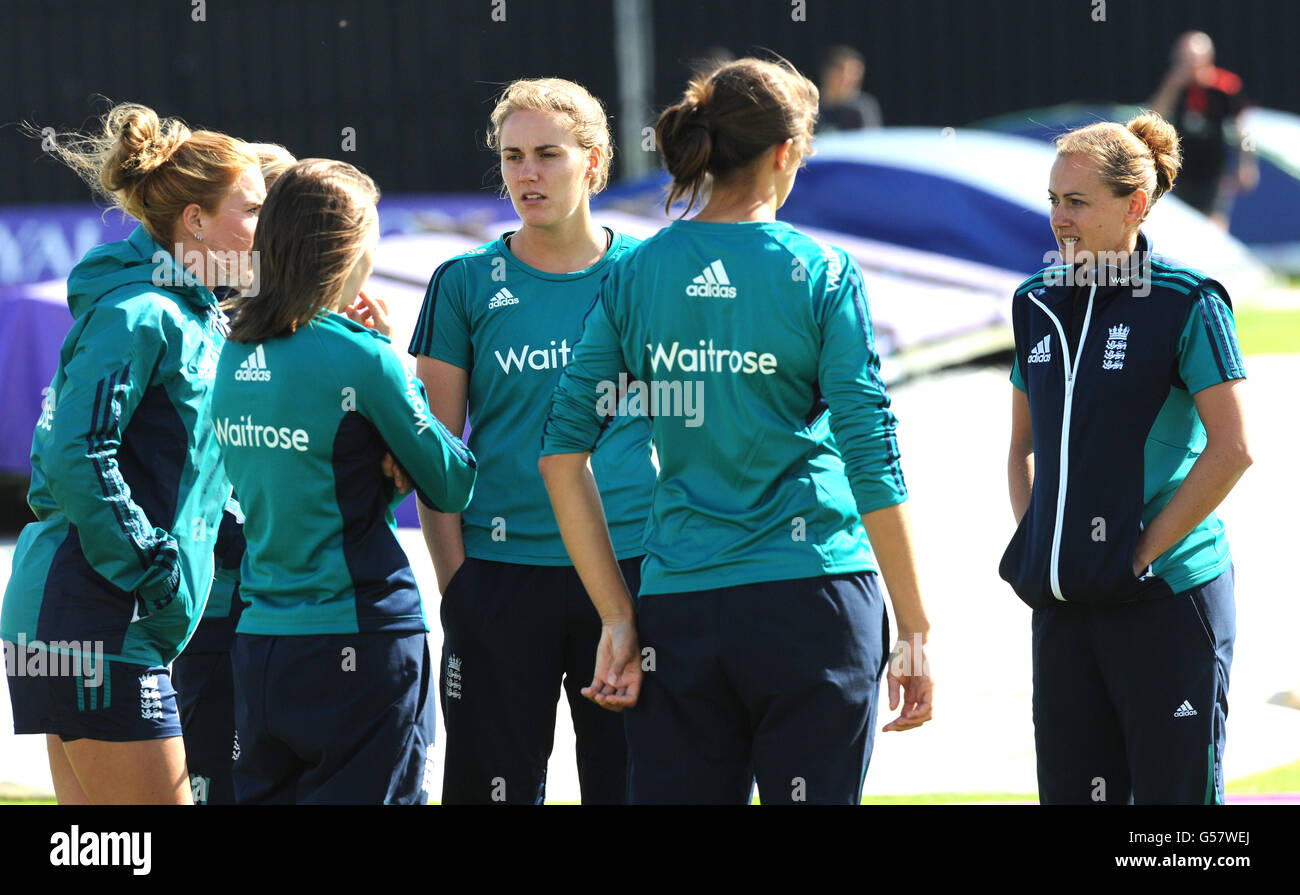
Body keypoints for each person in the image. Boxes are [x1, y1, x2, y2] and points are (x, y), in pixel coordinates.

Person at [539, 57, 933, 805]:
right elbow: (872, 456)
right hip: (814, 597)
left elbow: (561, 456)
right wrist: (912, 627)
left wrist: (619, 616)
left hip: (681, 608)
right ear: (786, 151)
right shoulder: (821, 270)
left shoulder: (636, 271)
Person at [0, 103, 263, 804]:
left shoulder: (186, 309)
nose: (264, 229)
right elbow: (77, 451)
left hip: (86, 616)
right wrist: (160, 570)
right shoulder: (141, 311)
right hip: (96, 614)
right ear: (196, 222)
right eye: (252, 210)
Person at [409, 78, 654, 805]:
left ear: (595, 162)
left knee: (634, 788)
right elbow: (437, 458)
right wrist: (461, 590)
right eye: (513, 157)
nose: (527, 174)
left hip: (633, 570)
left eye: (548, 154)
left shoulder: (648, 275)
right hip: (501, 574)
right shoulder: (463, 282)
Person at [1000, 112, 1251, 805]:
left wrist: (1138, 554)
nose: (1059, 219)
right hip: (1066, 608)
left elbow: (1232, 450)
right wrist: (1038, 545)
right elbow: (1021, 448)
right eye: (1053, 200)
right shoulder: (1033, 303)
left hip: (1166, 600)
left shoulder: (1187, 301)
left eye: (1076, 201)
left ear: (1134, 205)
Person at [214, 158, 475, 804]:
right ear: (354, 249)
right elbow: (453, 481)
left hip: (261, 645)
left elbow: (309, 481)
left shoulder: (233, 349)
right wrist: (395, 372)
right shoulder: (362, 356)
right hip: (361, 639)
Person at [170, 142, 295, 805]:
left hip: (303, 613)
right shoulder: (193, 325)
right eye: (256, 211)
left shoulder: (324, 331)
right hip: (219, 610)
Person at [1149, 31, 1257, 228]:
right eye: (1182, 59)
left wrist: (1246, 164)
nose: (1188, 65)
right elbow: (1153, 116)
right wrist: (1172, 86)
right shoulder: (1174, 86)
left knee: (1214, 222)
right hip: (1181, 167)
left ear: (1207, 59)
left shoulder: (1225, 86)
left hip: (1214, 168)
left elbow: (1244, 129)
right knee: (1184, 223)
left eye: (1192, 59)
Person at [815, 45, 882, 134]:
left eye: (856, 74)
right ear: (829, 73)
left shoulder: (864, 108)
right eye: (845, 73)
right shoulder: (811, 107)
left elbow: (870, 141)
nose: (852, 79)